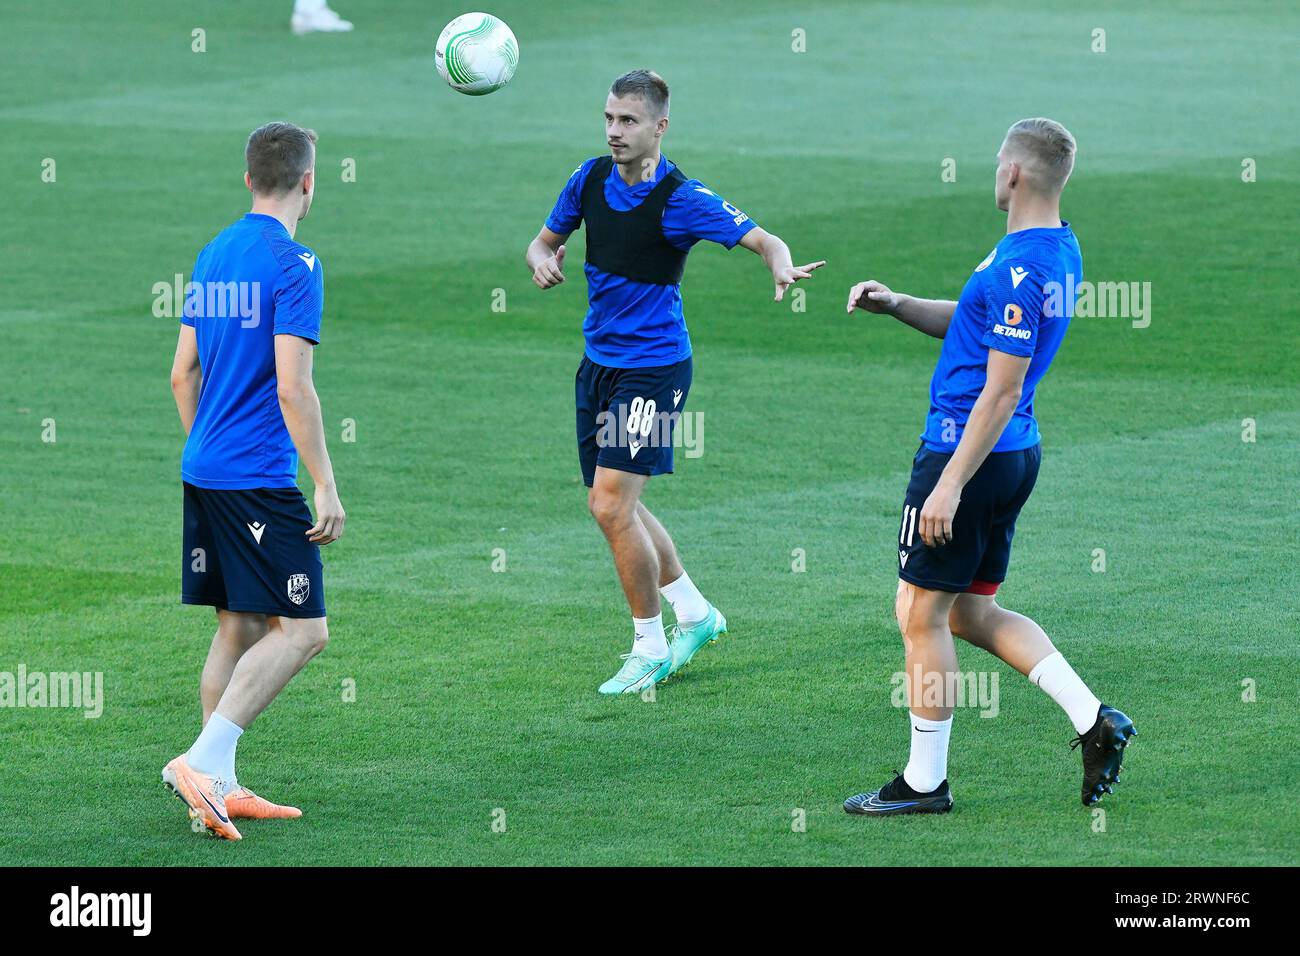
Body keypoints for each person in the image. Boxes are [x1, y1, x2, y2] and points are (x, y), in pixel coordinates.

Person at [843, 118, 1135, 815]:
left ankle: (924, 783)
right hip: (1012, 456)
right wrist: (900, 305)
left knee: (919, 613)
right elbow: (978, 326)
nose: (993, 171)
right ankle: (1093, 720)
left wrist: (948, 483)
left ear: (1015, 175)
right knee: (971, 611)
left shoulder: (1019, 266)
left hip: (966, 454)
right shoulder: (1054, 249)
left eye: (998, 162)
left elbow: (1001, 386)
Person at [525, 70, 824, 695]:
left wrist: (781, 265)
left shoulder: (684, 200)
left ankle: (648, 646)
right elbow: (543, 240)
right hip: (599, 365)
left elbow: (764, 238)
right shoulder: (588, 179)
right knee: (614, 505)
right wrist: (542, 258)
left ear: (660, 126)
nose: (614, 131)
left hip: (656, 370)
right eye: (609, 118)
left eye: (628, 121)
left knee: (611, 504)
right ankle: (696, 613)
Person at [165, 122, 345, 840]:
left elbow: (182, 372)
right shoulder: (295, 263)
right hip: (258, 481)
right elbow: (293, 389)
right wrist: (325, 484)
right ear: (308, 182)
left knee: (239, 625)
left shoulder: (214, 252)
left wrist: (208, 449)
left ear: (248, 180)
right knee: (304, 631)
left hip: (206, 469)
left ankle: (218, 787)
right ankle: (203, 763)